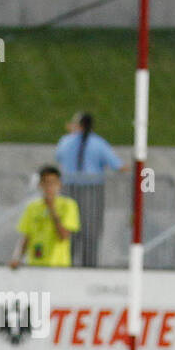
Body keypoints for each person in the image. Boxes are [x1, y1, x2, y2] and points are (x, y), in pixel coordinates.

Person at [54, 112, 127, 268]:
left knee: (69, 229)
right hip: (92, 191)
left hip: (69, 189)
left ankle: (67, 263)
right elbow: (118, 166)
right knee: (90, 231)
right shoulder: (98, 143)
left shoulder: (66, 141)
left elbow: (59, 157)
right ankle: (89, 266)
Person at [10, 165, 80, 269]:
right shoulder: (32, 207)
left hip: (58, 265)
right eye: (45, 183)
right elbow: (26, 237)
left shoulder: (68, 205)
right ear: (40, 185)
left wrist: (52, 209)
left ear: (59, 184)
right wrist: (17, 258)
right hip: (35, 264)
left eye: (52, 183)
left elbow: (64, 235)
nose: (49, 187)